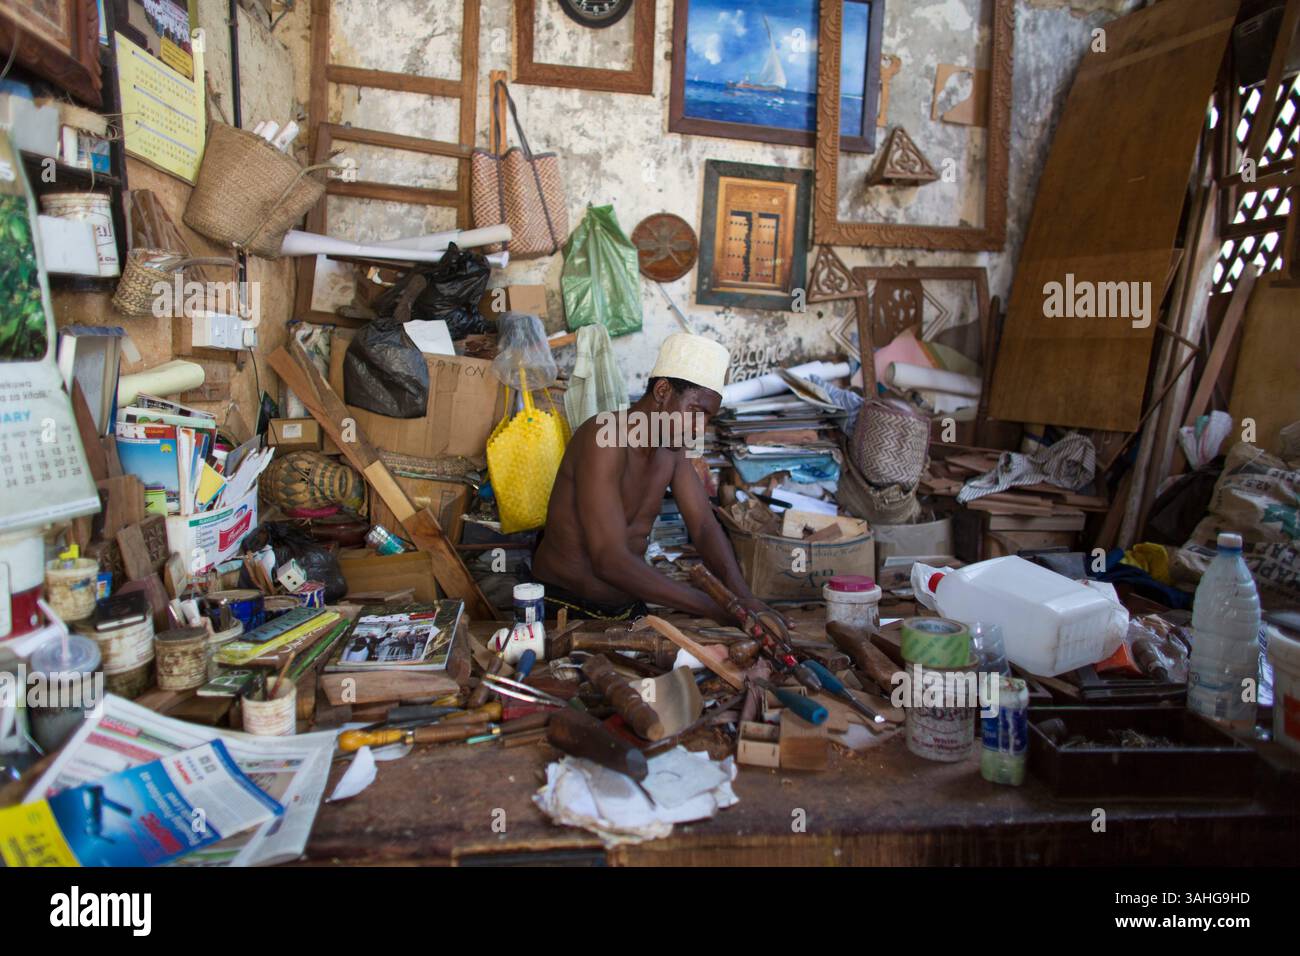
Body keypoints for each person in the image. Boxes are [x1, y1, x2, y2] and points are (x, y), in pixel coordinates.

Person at [529, 332, 784, 625]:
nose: (699, 429)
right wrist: (720, 608)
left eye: (708, 418)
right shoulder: (605, 437)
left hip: (627, 608)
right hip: (563, 608)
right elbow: (608, 560)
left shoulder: (671, 450)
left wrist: (744, 598)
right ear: (662, 391)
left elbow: (703, 527)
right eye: (695, 411)